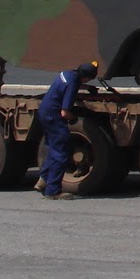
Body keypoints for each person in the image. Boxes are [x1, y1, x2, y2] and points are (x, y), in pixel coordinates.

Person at [35, 61, 99, 199]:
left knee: (53, 148)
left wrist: (86, 87)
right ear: (86, 77)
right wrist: (74, 118)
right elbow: (64, 113)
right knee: (61, 152)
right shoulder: (72, 84)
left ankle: (43, 180)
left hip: (44, 112)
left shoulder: (67, 73)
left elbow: (71, 83)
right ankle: (53, 191)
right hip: (54, 117)